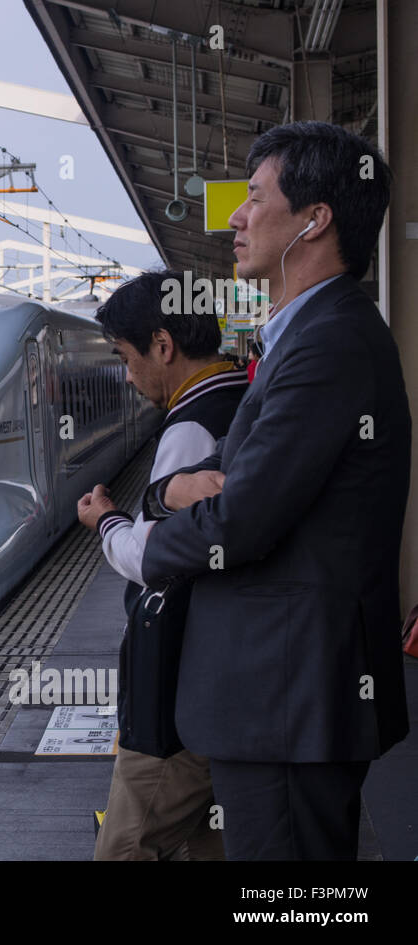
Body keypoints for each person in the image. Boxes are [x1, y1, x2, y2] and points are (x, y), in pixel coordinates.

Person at [139, 121, 410, 860]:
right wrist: (175, 493)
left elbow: (240, 519)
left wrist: (145, 541)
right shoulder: (307, 334)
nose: (235, 215)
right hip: (281, 696)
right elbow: (219, 476)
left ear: (314, 220)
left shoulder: (329, 342)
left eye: (255, 197)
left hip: (287, 698)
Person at [77, 270, 247, 860]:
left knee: (124, 847)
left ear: (163, 345)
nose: (126, 375)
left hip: (178, 683)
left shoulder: (192, 425)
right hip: (222, 679)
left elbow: (151, 558)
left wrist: (105, 520)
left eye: (126, 357)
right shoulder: (239, 401)